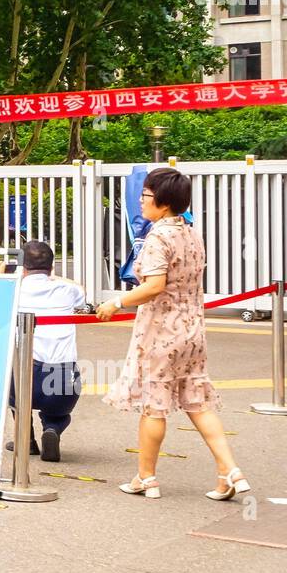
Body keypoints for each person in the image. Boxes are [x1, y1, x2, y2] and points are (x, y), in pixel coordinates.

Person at [96, 167, 250, 502]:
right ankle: (229, 469)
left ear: (163, 203)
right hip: (192, 329)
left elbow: (154, 286)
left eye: (146, 195)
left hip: (160, 331)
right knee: (199, 404)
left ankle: (146, 477)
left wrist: (116, 302)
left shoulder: (158, 237)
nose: (141, 200)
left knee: (154, 406)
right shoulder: (192, 233)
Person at [0, 240, 85, 462]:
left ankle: (26, 439)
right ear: (51, 268)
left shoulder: (12, 290)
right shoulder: (68, 290)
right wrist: (52, 276)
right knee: (58, 411)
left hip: (25, 381)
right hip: (63, 383)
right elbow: (80, 288)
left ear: (22, 267)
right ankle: (52, 428)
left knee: (11, 376)